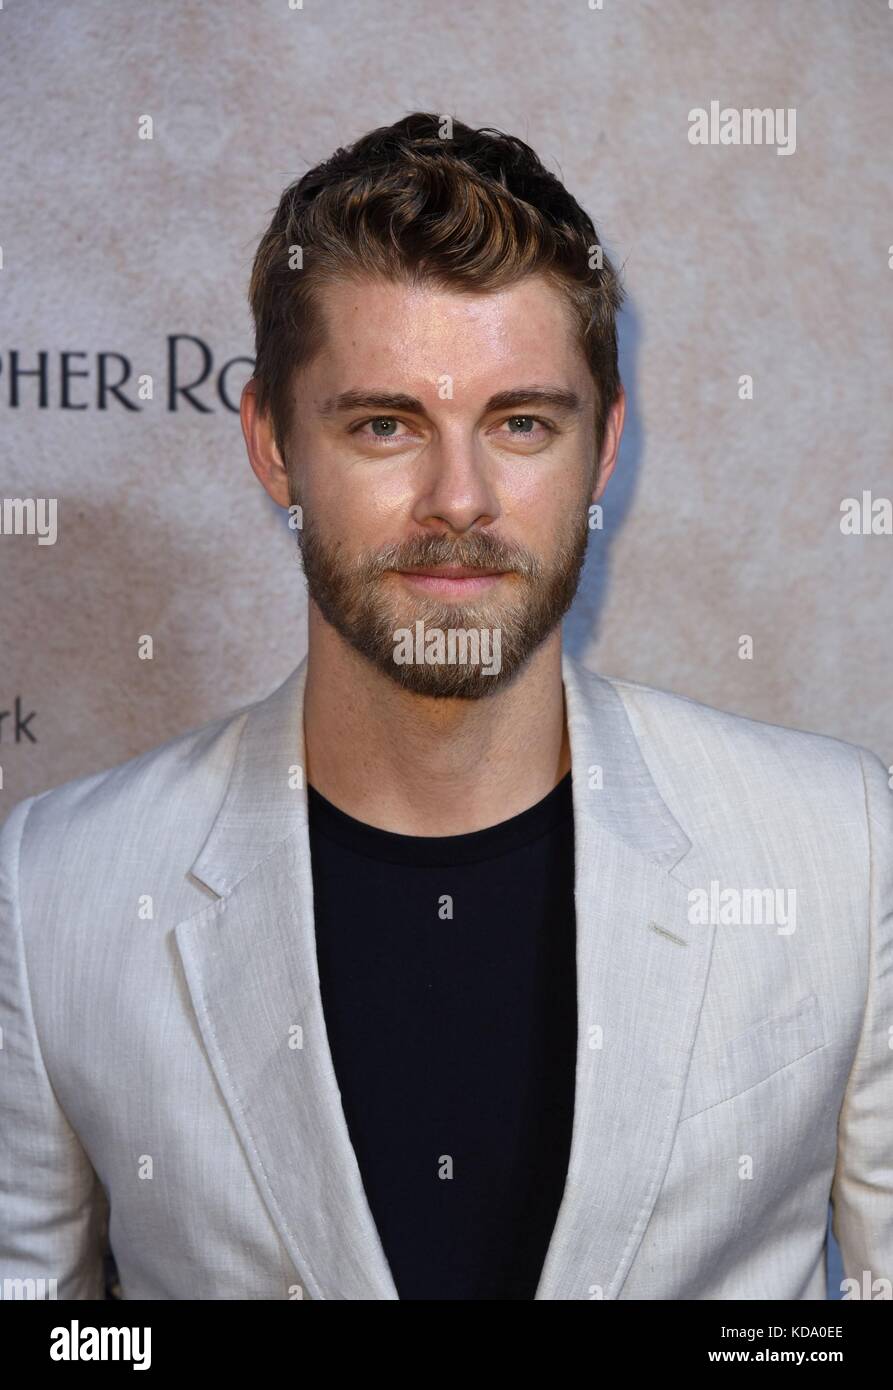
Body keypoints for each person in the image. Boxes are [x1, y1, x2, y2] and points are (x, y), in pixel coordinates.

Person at [1, 112, 890, 1301]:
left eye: (521, 422)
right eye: (384, 424)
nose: (458, 498)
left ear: (604, 448)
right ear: (270, 442)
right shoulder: (58, 890)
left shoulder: (841, 850)